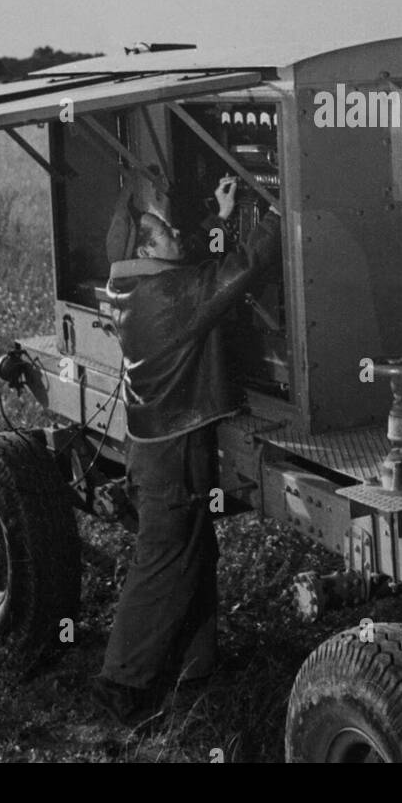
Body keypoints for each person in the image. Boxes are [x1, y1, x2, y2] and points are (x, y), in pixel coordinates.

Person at [91, 173, 281, 723]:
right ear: (147, 249)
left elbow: (187, 261)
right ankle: (119, 685)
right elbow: (236, 269)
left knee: (195, 552)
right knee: (162, 563)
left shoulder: (133, 285)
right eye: (165, 229)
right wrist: (276, 210)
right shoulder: (169, 297)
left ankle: (196, 666)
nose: (175, 231)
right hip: (173, 454)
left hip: (162, 445)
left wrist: (217, 217)